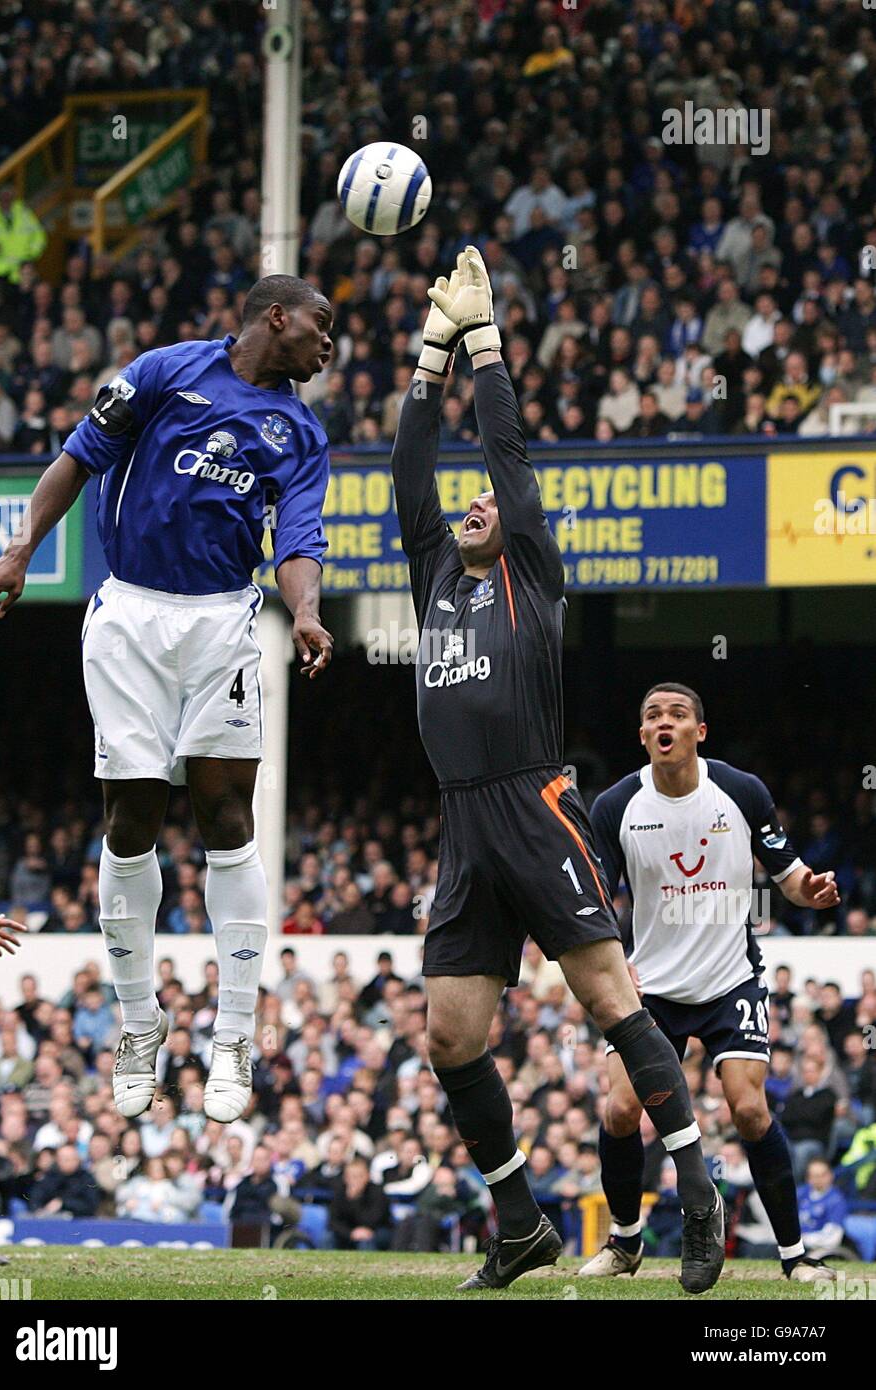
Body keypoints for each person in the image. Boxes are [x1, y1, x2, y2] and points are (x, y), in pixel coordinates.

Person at [390, 248, 726, 1294]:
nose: (476, 508)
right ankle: (519, 1222)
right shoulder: (436, 570)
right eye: (470, 507)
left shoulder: (529, 568)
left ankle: (699, 1198)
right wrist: (430, 352)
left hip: (537, 803)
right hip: (461, 821)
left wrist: (485, 345)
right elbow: (412, 465)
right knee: (451, 1036)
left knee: (609, 1003)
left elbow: (507, 453)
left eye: (488, 504)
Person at [0, 275, 336, 1127]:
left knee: (225, 819)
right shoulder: (167, 370)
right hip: (130, 616)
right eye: (322, 325)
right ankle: (141, 1023)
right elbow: (76, 456)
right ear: (274, 317)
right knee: (131, 819)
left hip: (222, 624)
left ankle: (236, 1033)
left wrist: (308, 611)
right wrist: (23, 550)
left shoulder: (302, 431)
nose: (330, 344)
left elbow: (301, 538)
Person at [582, 683, 839, 1284]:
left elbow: (790, 876)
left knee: (749, 1110)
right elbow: (593, 900)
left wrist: (813, 891)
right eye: (652, 716)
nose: (664, 722)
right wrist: (609, 963)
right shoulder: (616, 806)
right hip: (651, 987)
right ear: (642, 735)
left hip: (730, 979)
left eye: (677, 714)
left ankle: (795, 1256)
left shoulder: (742, 792)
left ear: (700, 731)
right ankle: (624, 1244)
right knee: (620, 1110)